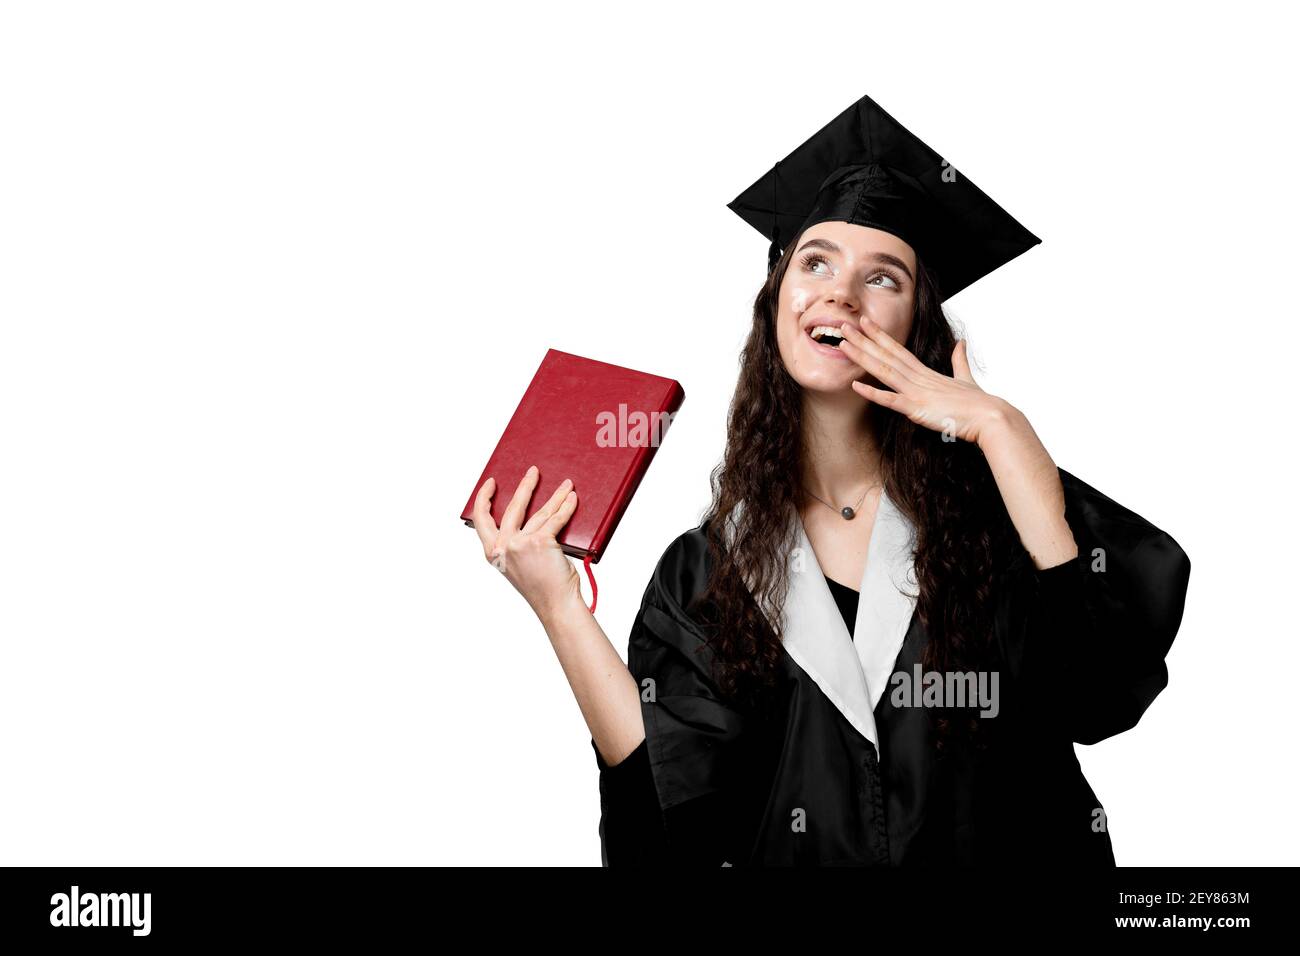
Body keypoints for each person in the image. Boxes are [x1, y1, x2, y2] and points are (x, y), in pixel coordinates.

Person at [469, 93, 1191, 866]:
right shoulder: (710, 570)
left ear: (918, 324)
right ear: (778, 301)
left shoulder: (1000, 502)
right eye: (814, 262)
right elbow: (674, 819)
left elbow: (1099, 693)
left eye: (884, 277)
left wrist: (1001, 428)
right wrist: (556, 605)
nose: (840, 292)